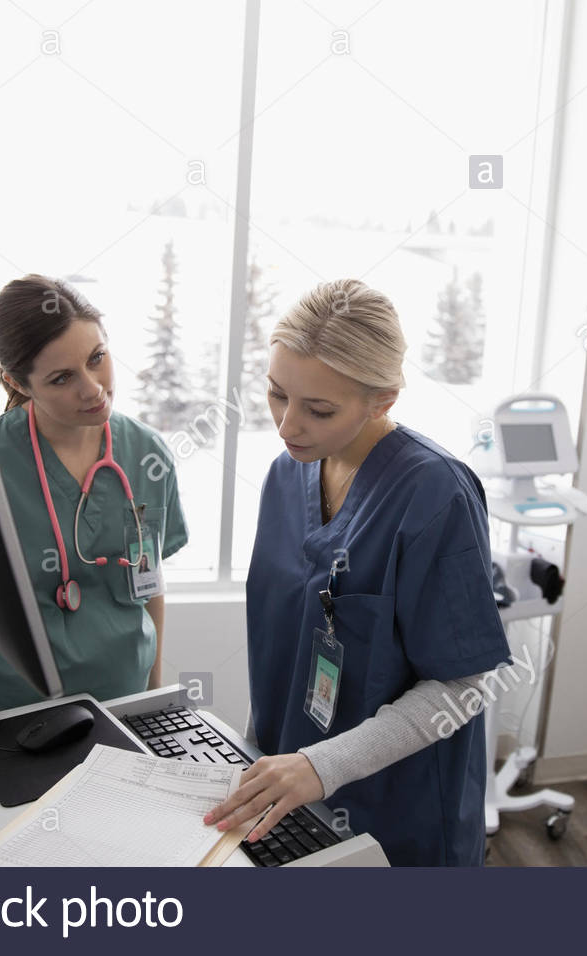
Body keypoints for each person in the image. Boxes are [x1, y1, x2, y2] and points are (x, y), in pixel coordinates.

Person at [204, 278, 510, 866]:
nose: (287, 425)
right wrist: (256, 758)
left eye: (319, 409)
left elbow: (465, 685)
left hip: (401, 816)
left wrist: (324, 766)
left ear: (383, 399)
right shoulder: (285, 477)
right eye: (275, 395)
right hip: (292, 802)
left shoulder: (433, 493)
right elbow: (284, 650)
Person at [0, 275, 187, 760]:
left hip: (122, 713)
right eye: (62, 378)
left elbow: (150, 578)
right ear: (15, 382)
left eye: (97, 359)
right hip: (3, 722)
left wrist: (154, 700)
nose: (93, 390)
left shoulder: (146, 454)